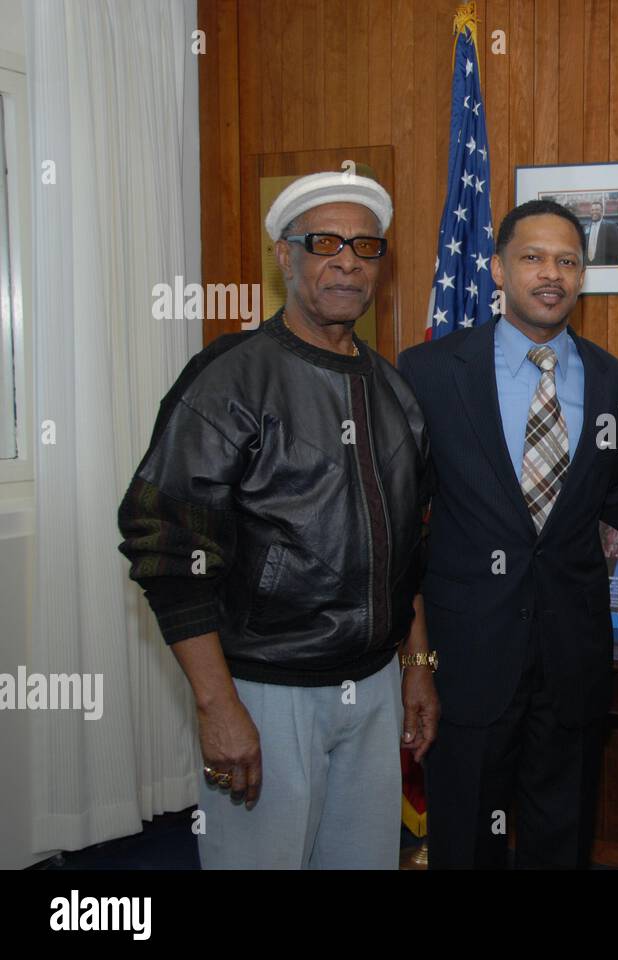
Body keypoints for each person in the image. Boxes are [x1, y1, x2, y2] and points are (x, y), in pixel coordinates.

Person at [118, 171, 437, 869]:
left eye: (366, 245)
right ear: (285, 257)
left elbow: (410, 547)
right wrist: (216, 704)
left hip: (376, 686)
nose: (347, 260)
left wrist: (416, 668)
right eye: (324, 242)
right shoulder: (231, 375)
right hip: (266, 693)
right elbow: (165, 544)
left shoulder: (395, 392)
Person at [398, 198, 618, 869]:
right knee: (465, 841)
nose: (551, 274)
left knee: (561, 841)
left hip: (573, 659)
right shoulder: (427, 374)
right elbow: (401, 528)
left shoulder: (615, 383)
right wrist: (416, 662)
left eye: (567, 260)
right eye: (533, 257)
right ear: (499, 269)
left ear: (583, 277)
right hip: (467, 659)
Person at [584, 199, 618, 266]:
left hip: (604, 266)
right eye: (592, 210)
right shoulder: (586, 227)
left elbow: (616, 252)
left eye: (597, 210)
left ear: (602, 211)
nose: (594, 212)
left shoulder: (611, 226)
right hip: (588, 266)